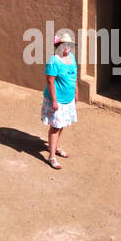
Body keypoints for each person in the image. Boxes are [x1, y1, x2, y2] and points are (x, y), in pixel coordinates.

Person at [42, 30, 78, 169]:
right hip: (56, 100)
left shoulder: (71, 57)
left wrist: (76, 91)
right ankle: (51, 157)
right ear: (59, 45)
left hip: (68, 99)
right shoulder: (53, 61)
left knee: (61, 125)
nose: (67, 47)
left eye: (69, 44)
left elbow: (74, 75)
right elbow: (50, 82)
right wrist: (55, 101)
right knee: (55, 127)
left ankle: (57, 147)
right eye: (64, 44)